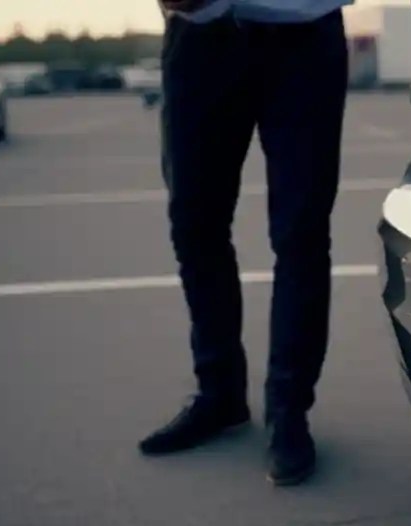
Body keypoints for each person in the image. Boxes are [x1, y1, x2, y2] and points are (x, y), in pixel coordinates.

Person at [139, 0, 351, 487]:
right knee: (195, 225)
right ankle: (219, 393)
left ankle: (289, 409)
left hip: (304, 31)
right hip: (200, 32)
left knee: (300, 233)